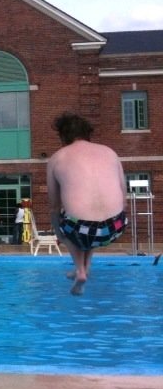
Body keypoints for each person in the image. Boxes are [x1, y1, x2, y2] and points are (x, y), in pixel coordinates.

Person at [47, 112, 127, 295]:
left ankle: (81, 271)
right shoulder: (110, 152)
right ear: (87, 133)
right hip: (115, 227)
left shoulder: (57, 158)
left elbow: (54, 205)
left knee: (72, 225)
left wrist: (59, 233)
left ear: (63, 136)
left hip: (80, 229)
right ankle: (85, 268)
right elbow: (124, 197)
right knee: (90, 227)